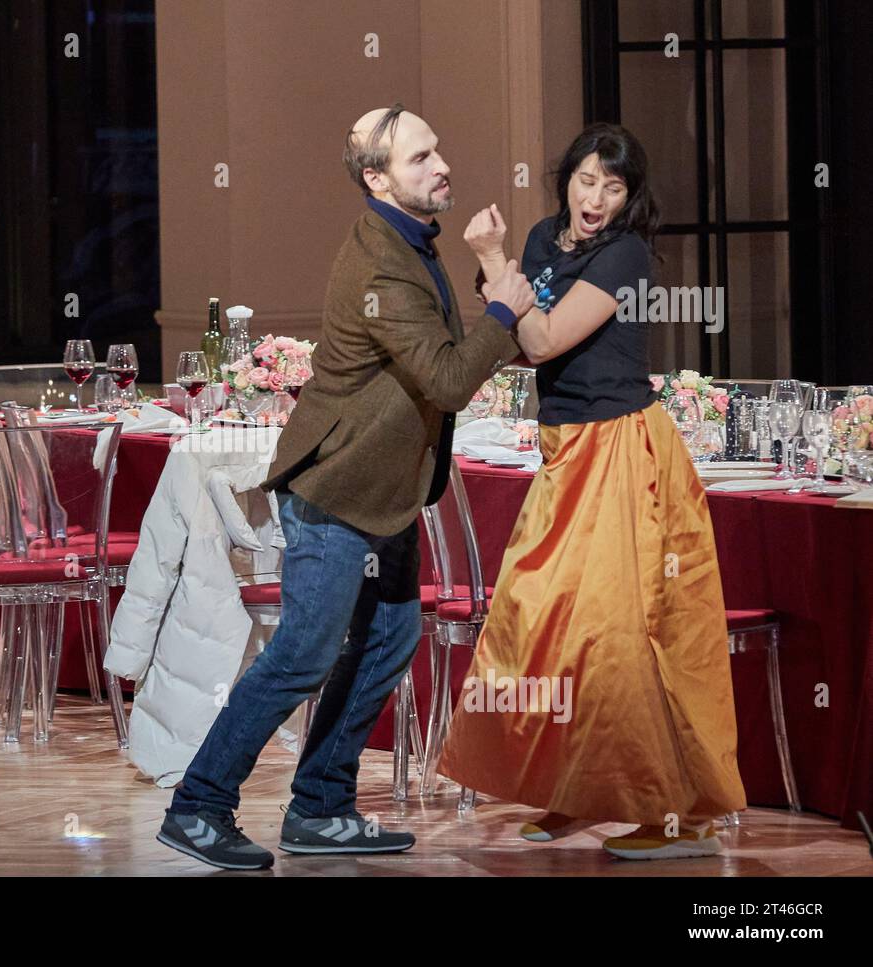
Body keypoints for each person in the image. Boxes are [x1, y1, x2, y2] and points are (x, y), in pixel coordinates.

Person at [155, 103, 534, 870]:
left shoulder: (409, 242)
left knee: (389, 641)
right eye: (420, 157)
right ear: (376, 178)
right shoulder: (380, 262)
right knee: (302, 652)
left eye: (438, 149)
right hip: (336, 490)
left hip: (381, 492)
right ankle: (197, 806)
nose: (441, 165)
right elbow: (450, 378)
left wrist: (487, 270)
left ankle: (320, 806)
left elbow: (435, 363)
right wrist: (503, 309)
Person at [439, 122, 747, 860]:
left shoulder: (627, 254)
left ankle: (677, 815)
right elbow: (518, 333)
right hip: (564, 449)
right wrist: (505, 274)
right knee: (542, 621)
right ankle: (578, 789)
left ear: (628, 195)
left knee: (622, 639)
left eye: (613, 186)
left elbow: (541, 339)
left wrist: (488, 260)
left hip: (619, 450)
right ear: (566, 180)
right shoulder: (547, 239)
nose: (596, 198)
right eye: (586, 180)